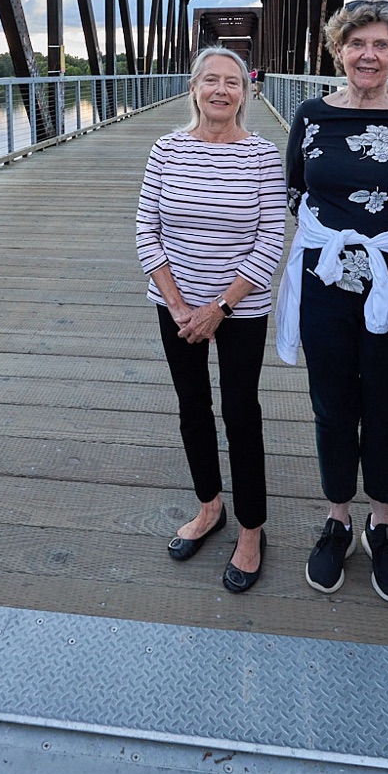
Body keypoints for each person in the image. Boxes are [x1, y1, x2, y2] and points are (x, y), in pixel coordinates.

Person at [275, 0, 388, 604]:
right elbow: (294, 190)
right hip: (326, 279)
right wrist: (339, 247)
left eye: (382, 45)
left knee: (387, 404)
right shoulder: (312, 115)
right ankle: (338, 516)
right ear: (338, 51)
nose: (369, 55)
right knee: (332, 403)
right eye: (357, 44)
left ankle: (382, 522)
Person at [135, 47, 286, 593]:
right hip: (175, 307)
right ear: (194, 88)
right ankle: (209, 507)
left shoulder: (264, 155)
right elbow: (145, 229)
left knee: (240, 410)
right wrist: (178, 305)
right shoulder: (166, 149)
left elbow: (272, 239)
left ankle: (251, 529)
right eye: (211, 81)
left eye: (233, 82)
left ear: (246, 92)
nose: (221, 90)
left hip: (239, 308)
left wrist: (219, 307)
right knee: (192, 406)